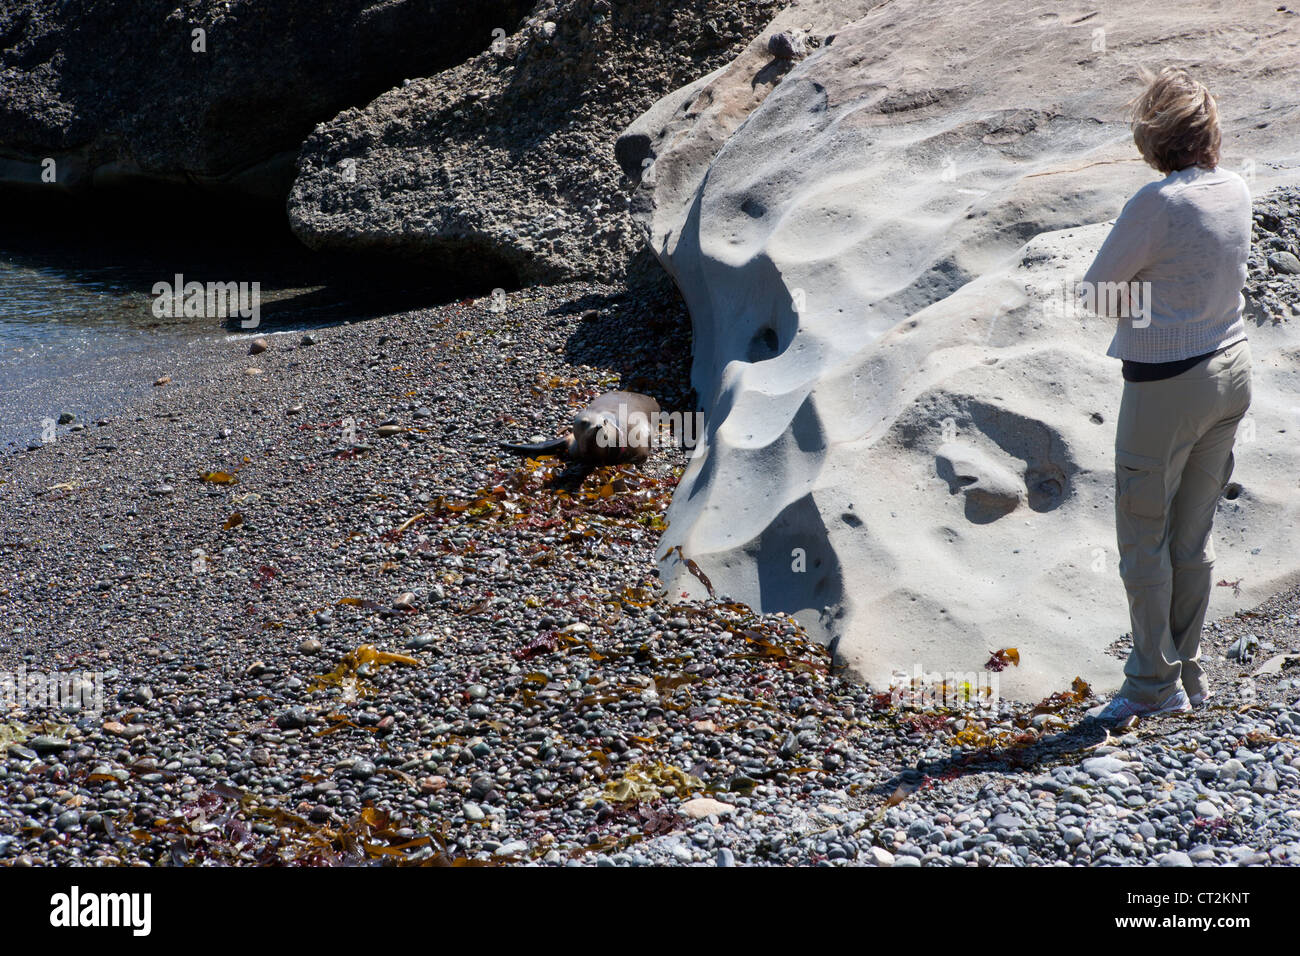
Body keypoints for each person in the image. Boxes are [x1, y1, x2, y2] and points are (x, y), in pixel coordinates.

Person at [1079, 65, 1253, 723]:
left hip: (1166, 386)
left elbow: (1097, 294)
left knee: (1143, 534)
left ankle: (1153, 684)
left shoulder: (1157, 204)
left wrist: (1151, 303)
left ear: (1153, 137)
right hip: (1231, 372)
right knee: (1193, 534)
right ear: (1208, 133)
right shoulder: (1234, 187)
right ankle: (1189, 673)